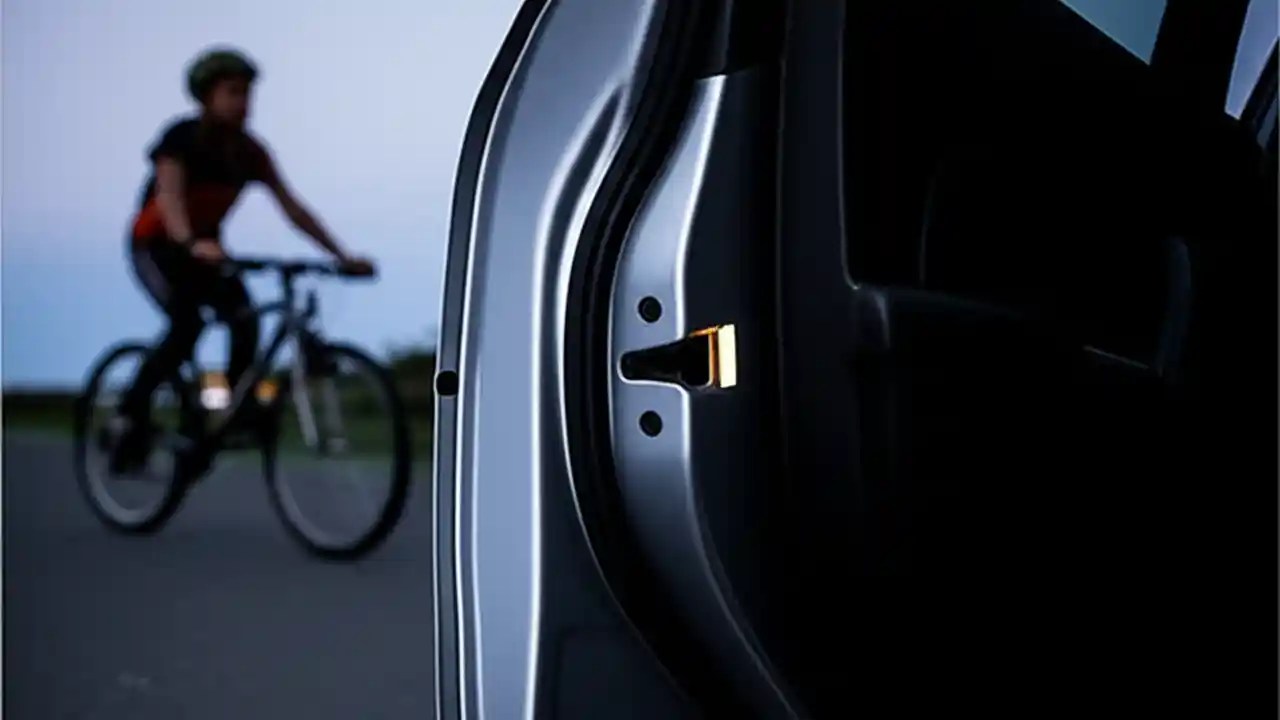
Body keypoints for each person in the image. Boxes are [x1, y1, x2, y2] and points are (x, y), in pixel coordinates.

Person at [109, 47, 374, 474]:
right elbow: (170, 198)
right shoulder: (181, 139)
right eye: (232, 92)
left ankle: (231, 411)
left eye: (248, 93)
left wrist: (343, 257)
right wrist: (191, 242)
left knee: (245, 318)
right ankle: (128, 415)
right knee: (186, 324)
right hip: (158, 246)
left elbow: (294, 209)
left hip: (208, 251)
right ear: (206, 97)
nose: (243, 102)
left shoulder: (249, 152)